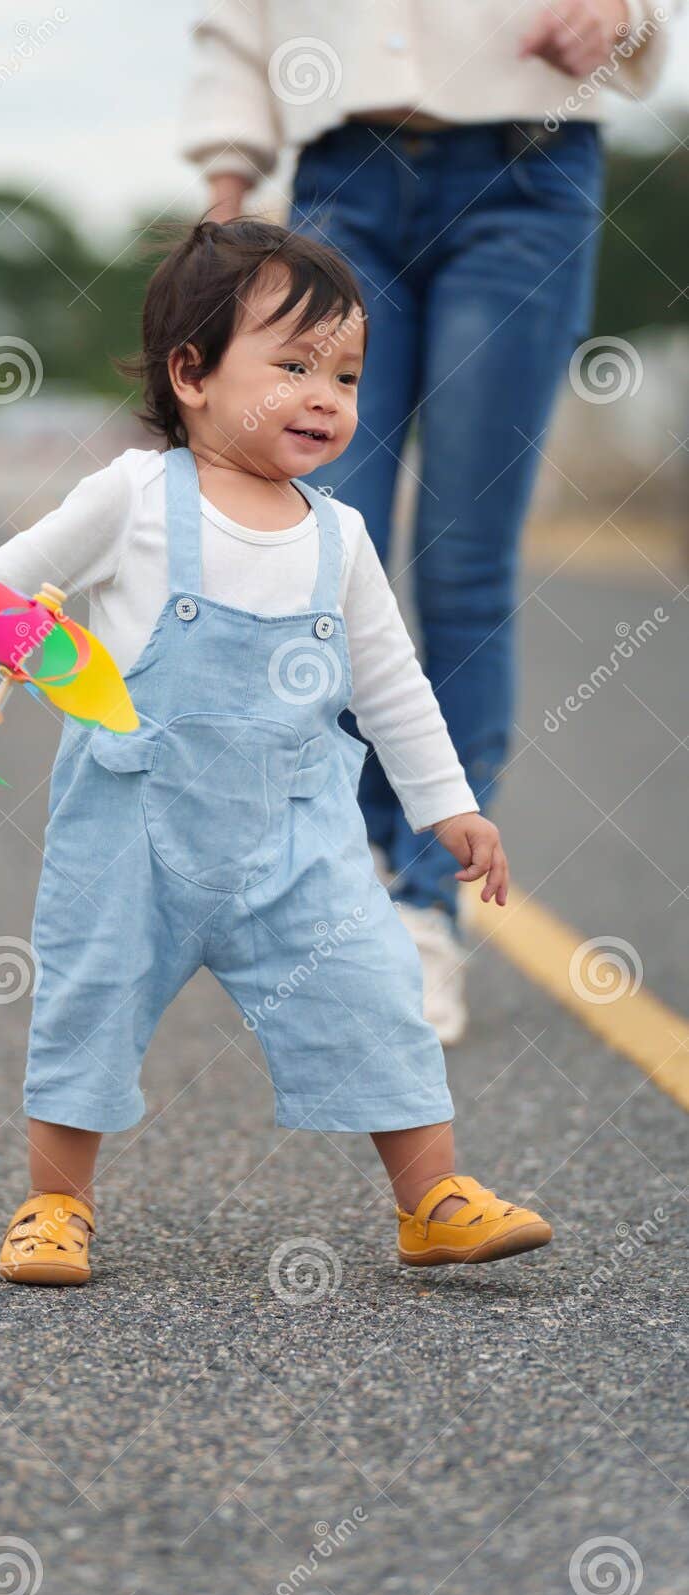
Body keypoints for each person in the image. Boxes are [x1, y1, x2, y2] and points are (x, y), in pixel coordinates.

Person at [0, 219, 554, 1287]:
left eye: (347, 375)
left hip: (298, 839)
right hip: (132, 833)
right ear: (193, 373)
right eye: (295, 365)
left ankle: (433, 1199)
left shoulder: (338, 537)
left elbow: (392, 685)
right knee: (87, 1000)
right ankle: (54, 1204)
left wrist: (447, 806)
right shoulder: (131, 499)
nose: (326, 395)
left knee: (375, 991)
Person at [181, 0, 676, 1043]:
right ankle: (342, 880)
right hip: (339, 184)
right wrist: (226, 190)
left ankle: (421, 911)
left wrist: (622, 18)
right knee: (319, 544)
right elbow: (237, 18)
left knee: (461, 562)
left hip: (529, 173)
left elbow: (635, 17)